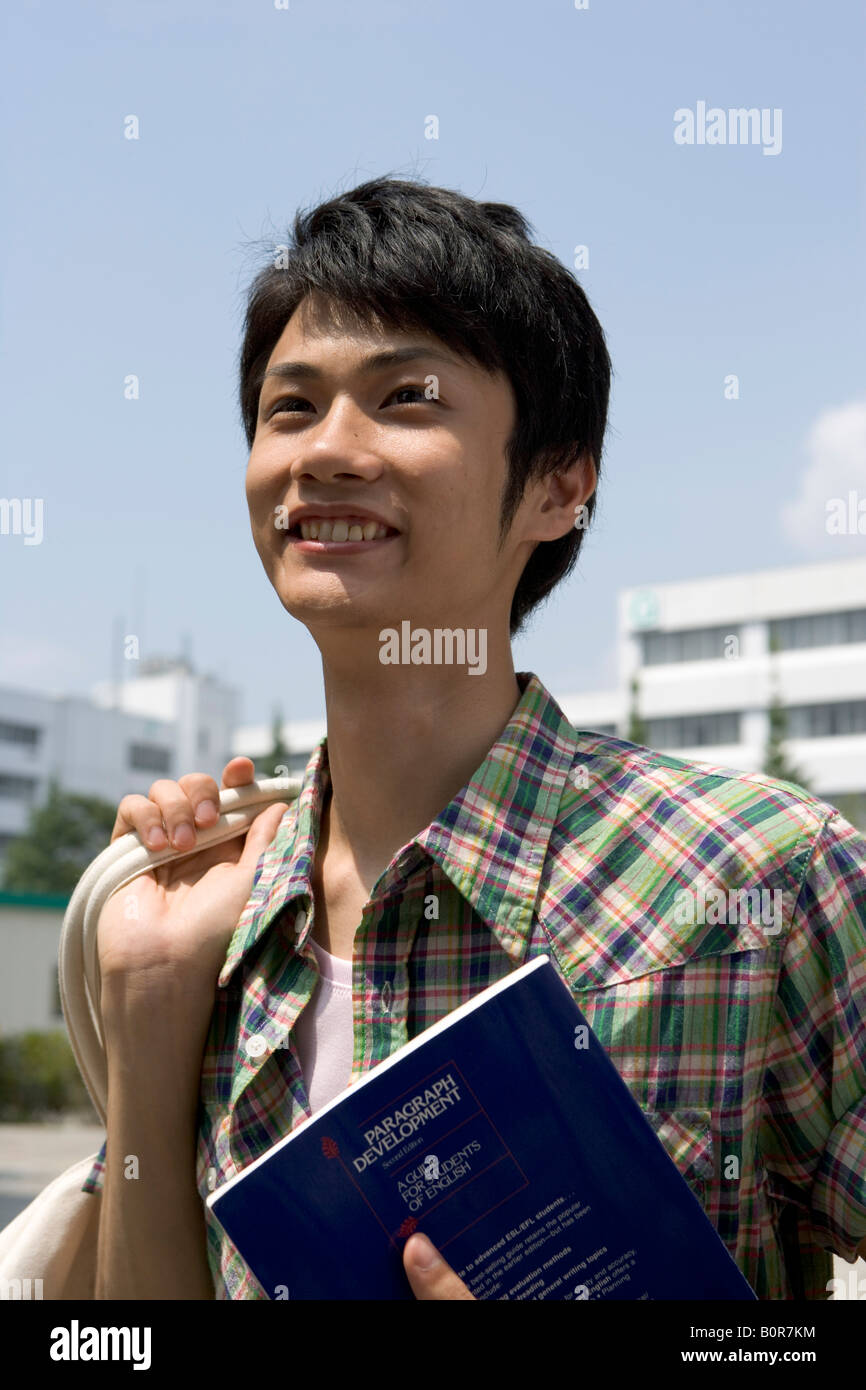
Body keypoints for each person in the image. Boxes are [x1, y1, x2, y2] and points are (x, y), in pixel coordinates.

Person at [84, 177, 866, 1301]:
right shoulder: (213, 921)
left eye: (405, 398)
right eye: (289, 407)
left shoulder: (754, 879)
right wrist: (152, 1017)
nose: (323, 453)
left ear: (559, 485)